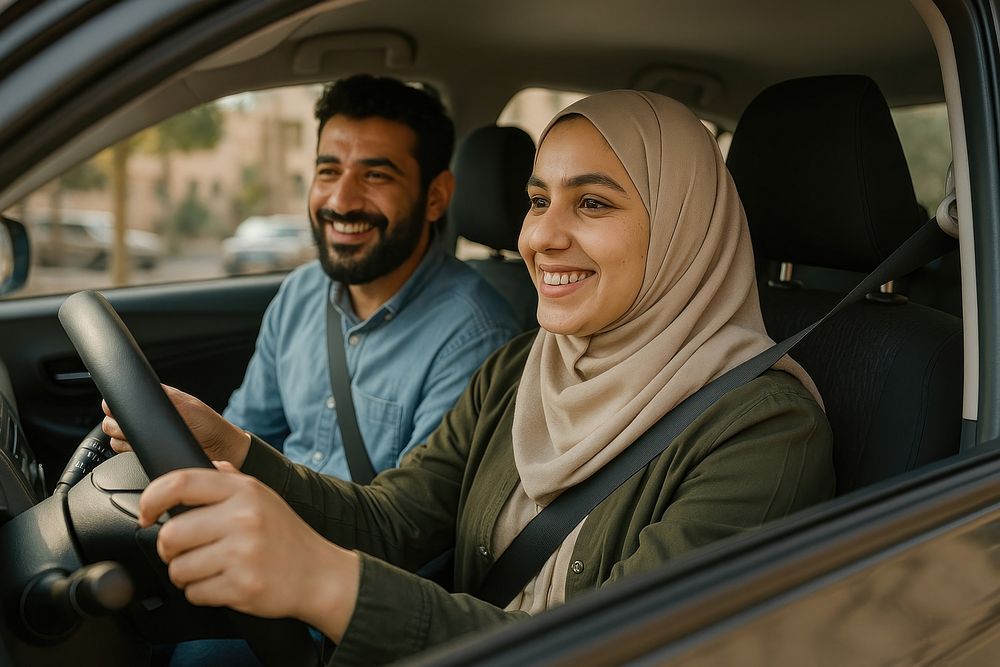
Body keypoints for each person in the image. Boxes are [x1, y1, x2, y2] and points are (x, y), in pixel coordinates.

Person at [105, 90, 835, 665]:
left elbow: (614, 646)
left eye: (592, 202)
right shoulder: (520, 368)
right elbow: (392, 519)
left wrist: (328, 581)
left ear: (685, 227)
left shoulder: (764, 427)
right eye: (539, 198)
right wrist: (237, 448)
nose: (540, 235)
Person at [224, 74, 519, 479]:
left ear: (435, 197)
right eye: (329, 171)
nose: (341, 202)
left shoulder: (476, 336)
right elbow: (245, 435)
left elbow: (409, 522)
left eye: (375, 176)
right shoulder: (301, 292)